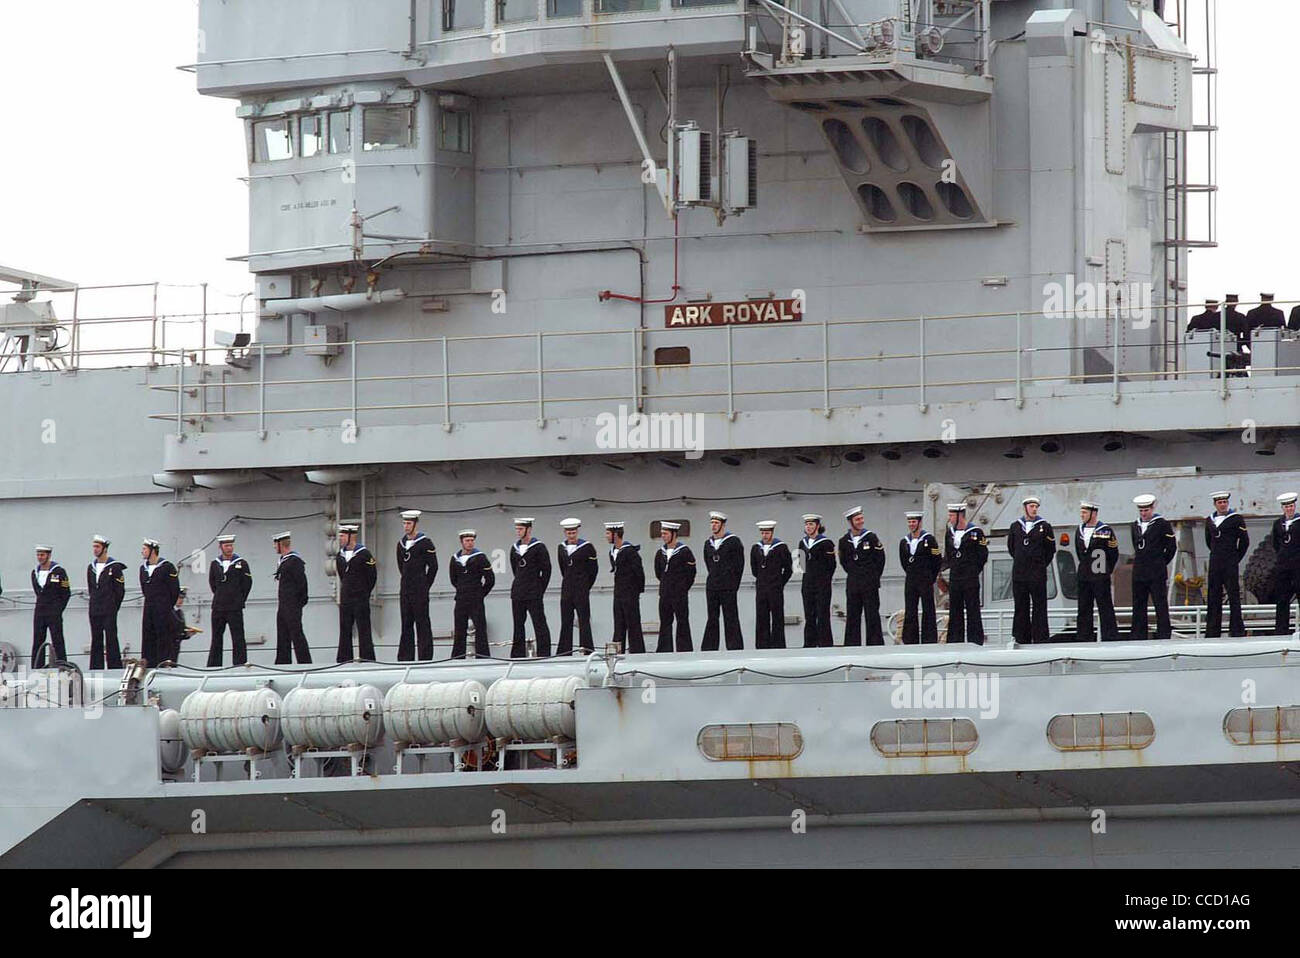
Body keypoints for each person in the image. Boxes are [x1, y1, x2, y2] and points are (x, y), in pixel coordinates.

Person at [1007, 496, 1055, 644]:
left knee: (1039, 607)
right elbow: (1012, 548)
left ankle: (1040, 637)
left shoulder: (1044, 526)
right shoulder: (1015, 526)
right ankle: (1021, 637)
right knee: (1021, 606)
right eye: (1031, 506)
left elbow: (1050, 550)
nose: (1034, 509)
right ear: (1025, 508)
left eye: (1036, 506)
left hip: (1037, 574)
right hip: (1020, 574)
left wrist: (1039, 564)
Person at [1130, 494, 1177, 640]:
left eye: (1146, 510)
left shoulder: (1162, 524)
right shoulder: (1135, 525)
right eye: (1141, 511)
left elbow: (1171, 548)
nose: (1144, 514)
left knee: (1160, 604)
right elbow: (1136, 546)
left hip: (1156, 571)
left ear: (1152, 508)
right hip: (1139, 571)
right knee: (1138, 605)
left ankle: (1164, 633)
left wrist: (1161, 562)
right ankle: (1138, 634)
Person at [838, 505, 885, 646]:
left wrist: (873, 576)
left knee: (872, 614)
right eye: (857, 519)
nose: (860, 521)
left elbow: (880, 559)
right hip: (853, 582)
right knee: (852, 614)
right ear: (851, 522)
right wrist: (855, 573)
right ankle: (852, 644)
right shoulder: (844, 541)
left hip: (869, 582)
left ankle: (875, 643)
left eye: (861, 518)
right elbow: (844, 561)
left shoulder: (871, 537)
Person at [1204, 491, 1248, 638]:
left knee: (1234, 596)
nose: (1222, 505)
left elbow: (1244, 542)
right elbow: (1208, 541)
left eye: (1224, 502)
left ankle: (1236, 629)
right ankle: (1212, 630)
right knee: (1213, 596)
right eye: (1219, 502)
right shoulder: (1209, 521)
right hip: (1215, 562)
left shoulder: (1236, 519)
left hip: (1230, 562)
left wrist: (1235, 558)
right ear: (1215, 504)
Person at [942, 503, 988, 645]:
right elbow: (948, 555)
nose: (949, 518)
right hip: (956, 577)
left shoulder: (976, 532)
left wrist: (973, 570)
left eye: (951, 515)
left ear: (959, 515)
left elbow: (982, 555)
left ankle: (975, 640)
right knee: (955, 611)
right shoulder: (949, 533)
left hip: (970, 577)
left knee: (973, 609)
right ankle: (955, 640)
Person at [395, 509, 438, 661]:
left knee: (422, 623)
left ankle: (425, 656)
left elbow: (433, 567)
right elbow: (401, 566)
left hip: (420, 588)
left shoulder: (425, 543)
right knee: (406, 623)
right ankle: (406, 656)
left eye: (409, 523)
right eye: (404, 523)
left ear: (415, 524)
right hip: (406, 588)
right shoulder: (401, 545)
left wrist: (425, 585)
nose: (406, 526)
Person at [1074, 500, 1120, 642]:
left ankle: (1110, 637)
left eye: (1085, 512)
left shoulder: (1106, 530)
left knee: (1105, 607)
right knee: (1083, 608)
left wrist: (1105, 570)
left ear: (1093, 513)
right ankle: (1083, 637)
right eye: (1081, 512)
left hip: (1100, 574)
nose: (1082, 515)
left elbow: (1113, 553)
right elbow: (1079, 552)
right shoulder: (1079, 530)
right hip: (1084, 576)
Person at [509, 517, 552, 658]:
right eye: (517, 529)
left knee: (539, 623)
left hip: (533, 591)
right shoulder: (514, 549)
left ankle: (544, 652)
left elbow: (546, 570)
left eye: (521, 529)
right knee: (518, 624)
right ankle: (517, 653)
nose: (518, 532)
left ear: (528, 529)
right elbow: (515, 569)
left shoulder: (539, 547)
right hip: (518, 592)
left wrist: (540, 589)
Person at [701, 511, 744, 651]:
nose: (713, 526)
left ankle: (734, 647)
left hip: (728, 586)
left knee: (730, 617)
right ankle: (709, 648)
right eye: (712, 523)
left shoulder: (733, 542)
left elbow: (739, 565)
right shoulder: (708, 543)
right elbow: (708, 563)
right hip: (713, 586)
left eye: (716, 523)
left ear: (723, 525)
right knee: (712, 618)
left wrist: (733, 584)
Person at [207, 534, 252, 666]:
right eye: (226, 546)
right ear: (220, 547)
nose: (229, 548)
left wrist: (238, 598)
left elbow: (247, 584)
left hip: (234, 607)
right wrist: (221, 595)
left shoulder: (241, 563)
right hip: (218, 606)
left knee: (238, 637)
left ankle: (239, 663)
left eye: (231, 545)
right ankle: (214, 665)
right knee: (216, 637)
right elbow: (213, 584)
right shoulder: (215, 564)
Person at [335, 522, 377, 662]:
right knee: (344, 628)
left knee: (364, 628)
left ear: (350, 536)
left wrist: (364, 592)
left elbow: (372, 576)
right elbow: (342, 575)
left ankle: (367, 658)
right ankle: (344, 658)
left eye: (342, 536)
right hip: (346, 597)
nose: (340, 538)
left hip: (360, 598)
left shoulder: (364, 554)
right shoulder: (339, 556)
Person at [556, 518, 598, 655]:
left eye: (573, 533)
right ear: (565, 533)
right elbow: (563, 568)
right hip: (567, 588)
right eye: (569, 533)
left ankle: (587, 649)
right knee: (566, 621)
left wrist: (585, 585)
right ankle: (564, 651)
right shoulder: (561, 548)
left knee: (584, 620)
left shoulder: (587, 547)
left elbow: (593, 570)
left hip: (581, 588)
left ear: (577, 532)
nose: (571, 535)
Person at [450, 529, 494, 658]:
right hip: (461, 598)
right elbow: (453, 579)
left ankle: (483, 656)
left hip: (476, 598)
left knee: (480, 628)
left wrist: (480, 593)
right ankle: (458, 656)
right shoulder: (455, 559)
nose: (470, 543)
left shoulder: (480, 557)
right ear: (462, 542)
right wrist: (462, 590)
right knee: (459, 629)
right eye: (467, 541)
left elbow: (490, 579)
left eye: (471, 540)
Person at [899, 511, 941, 644]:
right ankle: (910, 639)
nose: (911, 524)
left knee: (928, 608)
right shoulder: (904, 542)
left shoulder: (929, 540)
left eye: (914, 522)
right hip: (911, 579)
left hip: (925, 578)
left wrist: (931, 576)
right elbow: (904, 561)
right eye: (909, 522)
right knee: (910, 608)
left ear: (919, 522)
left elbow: (937, 560)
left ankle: (929, 638)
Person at [654, 521, 695, 652]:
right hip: (665, 593)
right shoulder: (660, 553)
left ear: (673, 534)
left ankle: (684, 649)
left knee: (682, 621)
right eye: (662, 534)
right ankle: (664, 650)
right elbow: (658, 572)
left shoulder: (684, 551)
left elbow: (691, 573)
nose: (663, 536)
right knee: (665, 622)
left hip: (679, 593)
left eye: (665, 533)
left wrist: (682, 587)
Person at [86, 535, 126, 670]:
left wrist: (113, 606)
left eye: (97, 547)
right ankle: (96, 667)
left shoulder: (114, 567)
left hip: (109, 609)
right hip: (95, 609)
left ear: (104, 548)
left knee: (111, 638)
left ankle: (114, 666)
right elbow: (91, 589)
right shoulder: (91, 568)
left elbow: (120, 591)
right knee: (96, 639)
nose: (95, 549)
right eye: (94, 546)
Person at [751, 520, 793, 649]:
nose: (765, 535)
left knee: (777, 618)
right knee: (761, 618)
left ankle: (778, 646)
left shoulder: (781, 547)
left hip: (775, 588)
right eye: (763, 533)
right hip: (762, 588)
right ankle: (761, 646)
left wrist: (780, 582)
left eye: (767, 533)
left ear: (772, 533)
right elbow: (754, 568)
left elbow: (789, 569)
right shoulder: (756, 548)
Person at [606, 521, 645, 654]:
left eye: (608, 533)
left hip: (630, 591)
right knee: (619, 624)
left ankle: (637, 651)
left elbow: (639, 572)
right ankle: (618, 652)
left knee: (633, 624)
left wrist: (637, 590)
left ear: (615, 535)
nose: (606, 536)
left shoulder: (630, 551)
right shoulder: (613, 551)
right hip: (618, 591)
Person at [140, 537, 180, 666]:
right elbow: (144, 588)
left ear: (153, 550)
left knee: (163, 637)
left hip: (162, 608)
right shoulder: (143, 569)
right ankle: (149, 663)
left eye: (145, 549)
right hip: (149, 607)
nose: (142, 551)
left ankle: (163, 663)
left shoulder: (167, 567)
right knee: (148, 636)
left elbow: (174, 589)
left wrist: (166, 606)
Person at [272, 531, 312, 664]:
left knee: (296, 634)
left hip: (292, 605)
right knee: (282, 634)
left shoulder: (294, 561)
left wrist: (298, 603)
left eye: (275, 544)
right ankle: (283, 662)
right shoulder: (284, 561)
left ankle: (304, 662)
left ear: (280, 545)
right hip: (283, 604)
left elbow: (302, 583)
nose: (274, 547)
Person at [798, 514, 836, 648]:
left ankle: (825, 644)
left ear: (817, 526)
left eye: (811, 524)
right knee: (809, 616)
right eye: (807, 524)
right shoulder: (802, 543)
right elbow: (800, 566)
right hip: (807, 584)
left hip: (822, 585)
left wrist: (823, 580)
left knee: (823, 615)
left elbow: (832, 566)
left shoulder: (826, 543)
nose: (808, 527)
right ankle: (809, 644)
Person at [31, 545, 70, 667]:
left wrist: (58, 609)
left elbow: (66, 593)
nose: (40, 557)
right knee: (38, 641)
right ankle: (37, 667)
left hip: (54, 611)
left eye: (42, 555)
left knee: (57, 639)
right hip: (40, 611)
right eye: (38, 555)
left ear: (48, 555)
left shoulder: (58, 572)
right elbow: (38, 592)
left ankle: (62, 665)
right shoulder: (35, 573)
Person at [1272, 493, 1300, 636]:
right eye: (1286, 506)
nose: (1289, 509)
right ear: (1282, 508)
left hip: (1298, 564)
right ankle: (1281, 629)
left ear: (1294, 506)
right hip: (1284, 565)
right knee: (1282, 597)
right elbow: (1276, 543)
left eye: (1291, 506)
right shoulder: (1278, 524)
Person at [162, 587, 201, 665]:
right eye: (179, 598)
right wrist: (184, 633)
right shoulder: (167, 612)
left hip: (175, 648)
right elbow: (168, 631)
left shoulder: (179, 612)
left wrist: (187, 634)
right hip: (167, 648)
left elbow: (180, 628)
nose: (181, 601)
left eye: (182, 598)